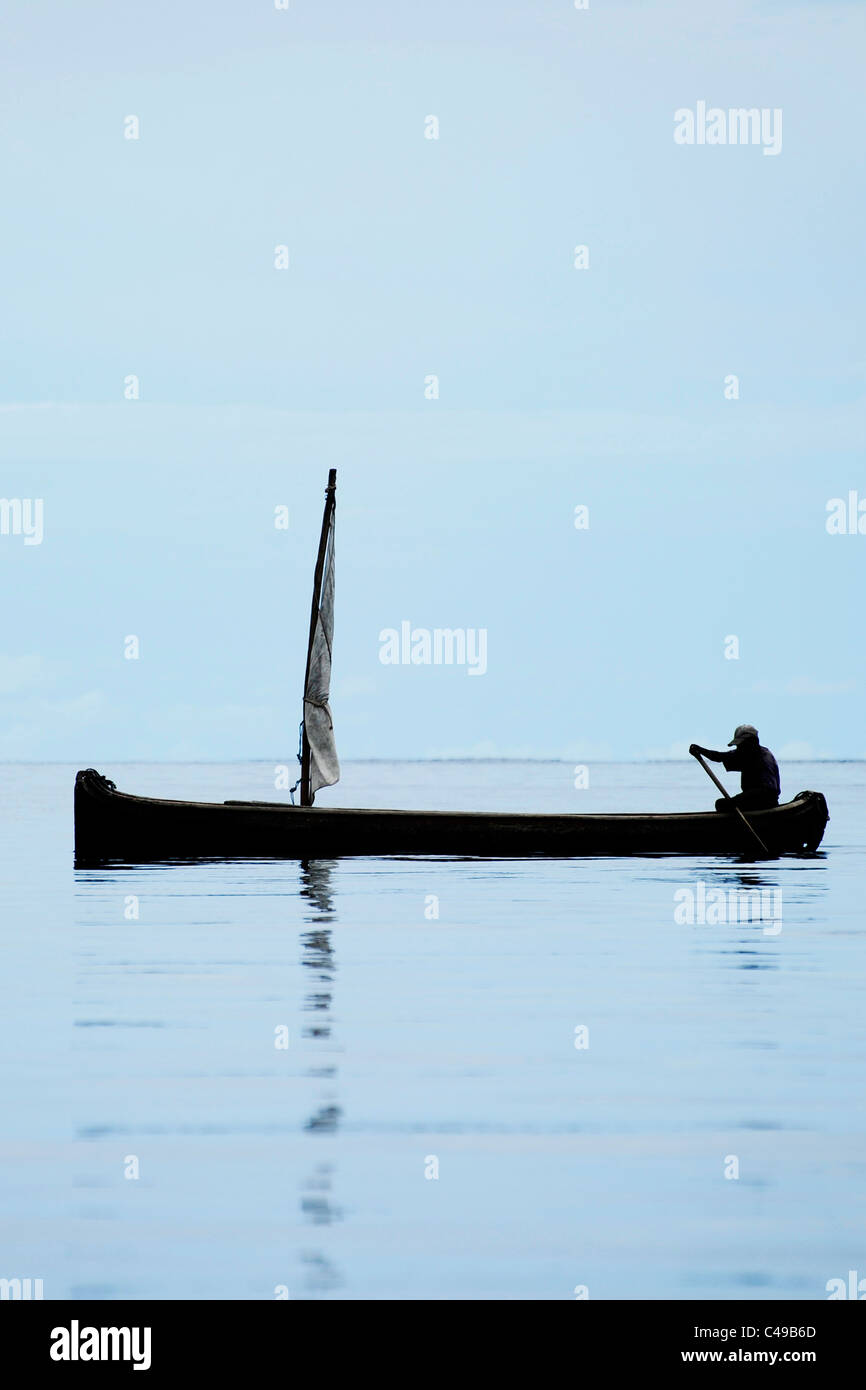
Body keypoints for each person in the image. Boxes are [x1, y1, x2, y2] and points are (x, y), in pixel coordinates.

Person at [689, 725, 780, 812]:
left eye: (740, 745)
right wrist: (700, 750)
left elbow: (768, 791)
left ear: (751, 742)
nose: (738, 748)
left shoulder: (764, 758)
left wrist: (735, 801)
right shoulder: (745, 753)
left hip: (766, 802)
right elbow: (719, 757)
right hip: (751, 800)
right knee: (721, 804)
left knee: (722, 804)